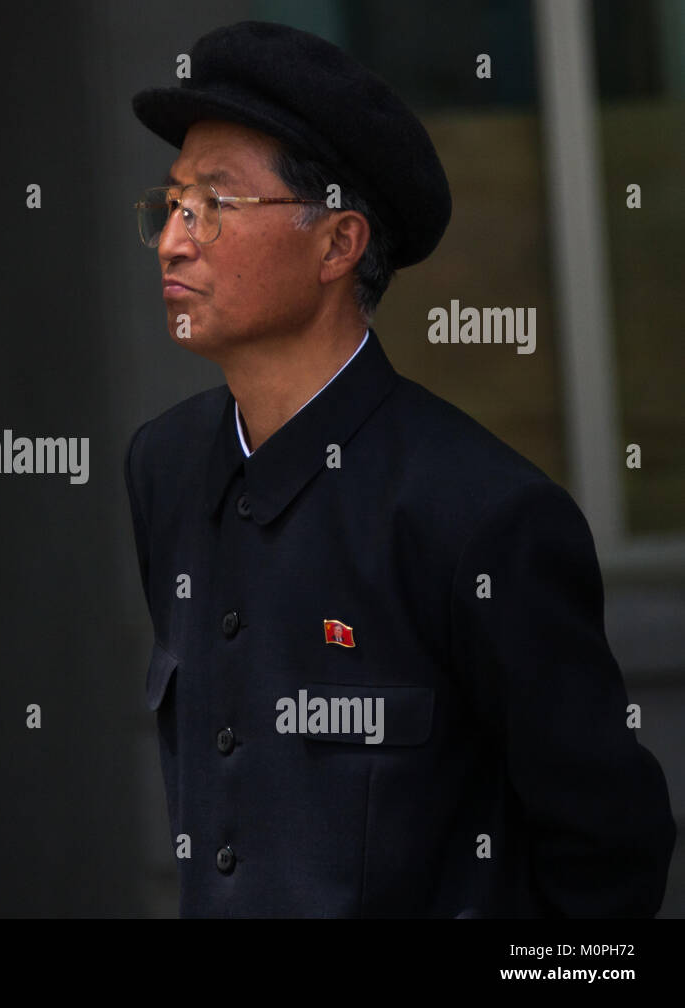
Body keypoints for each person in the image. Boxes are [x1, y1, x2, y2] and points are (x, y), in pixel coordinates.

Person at [123, 20, 675, 917]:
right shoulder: (166, 467)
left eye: (216, 205)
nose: (175, 240)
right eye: (173, 202)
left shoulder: (480, 515)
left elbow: (610, 853)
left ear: (338, 245)